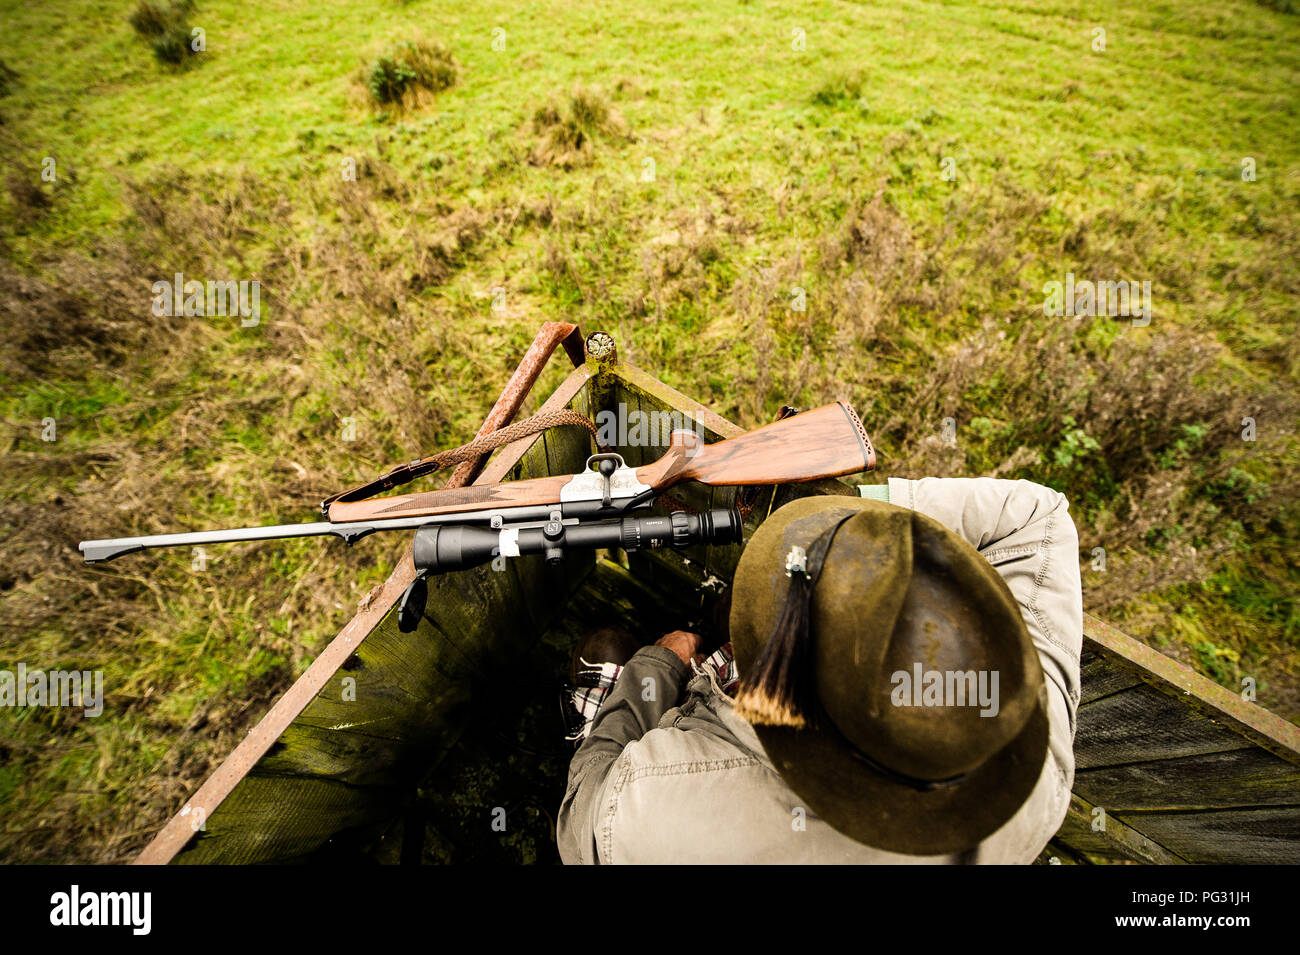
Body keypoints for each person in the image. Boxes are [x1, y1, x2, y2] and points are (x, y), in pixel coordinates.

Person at [557, 477, 1082, 864]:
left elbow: (583, 822)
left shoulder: (660, 802)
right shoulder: (1028, 756)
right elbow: (1040, 520)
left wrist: (661, 663)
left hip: (690, 754)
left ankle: (602, 714)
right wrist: (856, 516)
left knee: (612, 667)